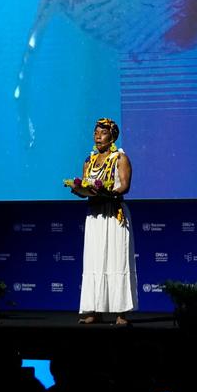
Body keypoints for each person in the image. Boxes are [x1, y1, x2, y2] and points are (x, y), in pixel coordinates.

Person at [72, 117, 138, 325]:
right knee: (94, 261)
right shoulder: (89, 160)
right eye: (96, 132)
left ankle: (121, 313)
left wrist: (108, 193)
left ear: (112, 136)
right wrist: (79, 190)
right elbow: (85, 184)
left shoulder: (120, 158)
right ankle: (94, 310)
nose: (98, 136)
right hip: (95, 215)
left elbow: (125, 186)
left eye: (103, 133)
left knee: (117, 259)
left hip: (114, 214)